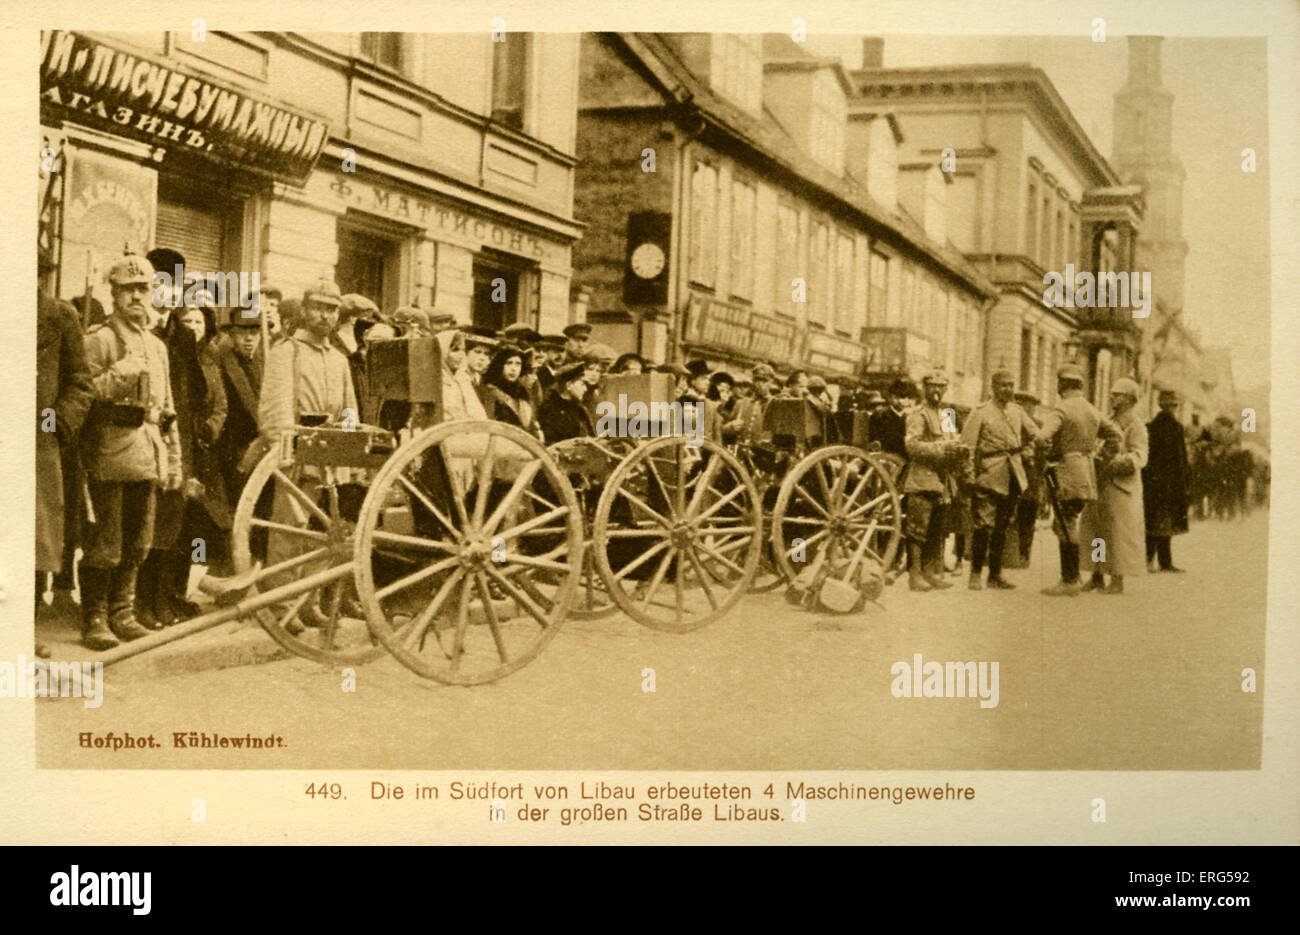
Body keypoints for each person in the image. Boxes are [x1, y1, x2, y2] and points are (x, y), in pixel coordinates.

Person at [79, 254, 183, 649]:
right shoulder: (100, 338)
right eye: (129, 289)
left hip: (149, 453)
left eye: (144, 289)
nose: (137, 296)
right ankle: (95, 618)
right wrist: (122, 371)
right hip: (110, 453)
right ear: (115, 293)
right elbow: (84, 393)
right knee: (106, 544)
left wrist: (174, 459)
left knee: (139, 543)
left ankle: (123, 611)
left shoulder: (157, 347)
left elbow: (168, 410)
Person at [138, 286, 227, 627]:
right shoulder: (149, 333)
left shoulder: (185, 339)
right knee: (152, 524)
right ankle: (141, 602)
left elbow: (193, 396)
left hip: (182, 442)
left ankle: (164, 598)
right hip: (152, 436)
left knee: (176, 527)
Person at [36, 261, 94, 657]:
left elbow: (80, 382)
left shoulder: (59, 316)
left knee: (32, 535)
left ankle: (23, 624)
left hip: (36, 441)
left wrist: (56, 422)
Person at [1033, 363, 1123, 596]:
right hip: (1086, 471)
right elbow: (1116, 435)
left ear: (1063, 384)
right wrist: (1101, 458)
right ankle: (1071, 578)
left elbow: (1042, 438)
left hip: (1064, 471)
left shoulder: (1061, 409)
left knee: (1065, 523)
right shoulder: (1092, 410)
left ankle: (1070, 579)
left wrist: (1043, 462)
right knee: (1067, 521)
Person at [960, 370, 1038, 590]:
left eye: (1011, 385)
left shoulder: (1017, 411)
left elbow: (1035, 435)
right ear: (993, 387)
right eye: (1004, 385)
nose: (1009, 389)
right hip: (988, 474)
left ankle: (995, 575)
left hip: (1013, 475)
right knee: (983, 525)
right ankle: (975, 573)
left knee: (1003, 526)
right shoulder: (981, 412)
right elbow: (967, 447)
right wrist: (969, 475)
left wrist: (1028, 453)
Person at [1079, 377, 1148, 594]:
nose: (1112, 397)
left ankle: (1117, 580)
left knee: (1118, 535)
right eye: (1112, 394)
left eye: (1117, 394)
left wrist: (1116, 462)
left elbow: (1140, 456)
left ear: (1129, 399)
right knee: (1096, 531)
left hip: (1121, 487)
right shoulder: (1107, 420)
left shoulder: (1136, 426)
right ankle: (1097, 575)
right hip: (1100, 483)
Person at [903, 371, 965, 591]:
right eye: (932, 387)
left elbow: (953, 440)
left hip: (943, 481)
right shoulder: (917, 415)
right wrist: (942, 450)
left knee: (937, 529)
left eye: (941, 387)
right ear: (924, 388)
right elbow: (912, 445)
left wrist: (958, 449)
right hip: (922, 478)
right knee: (917, 530)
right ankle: (915, 575)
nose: (937, 391)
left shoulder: (947, 414)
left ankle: (931, 572)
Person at [210, 304, 265, 553]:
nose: (249, 339)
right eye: (243, 333)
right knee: (232, 510)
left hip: (261, 448)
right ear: (231, 335)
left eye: (254, 333)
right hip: (230, 449)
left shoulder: (265, 364)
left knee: (259, 510)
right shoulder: (221, 363)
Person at [1143, 389, 1190, 572]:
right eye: (1174, 405)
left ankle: (1150, 560)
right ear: (1170, 406)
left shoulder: (1150, 427)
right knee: (1165, 522)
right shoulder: (1176, 427)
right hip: (1171, 483)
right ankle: (1164, 562)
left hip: (1152, 482)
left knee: (1153, 521)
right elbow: (1180, 459)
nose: (1175, 408)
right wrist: (1185, 481)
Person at [483, 344, 542, 438]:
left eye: (518, 364)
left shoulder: (523, 392)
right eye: (509, 363)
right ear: (500, 365)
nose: (513, 369)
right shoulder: (491, 392)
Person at [538, 361, 595, 444]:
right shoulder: (549, 408)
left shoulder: (580, 409)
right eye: (582, 384)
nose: (585, 389)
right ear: (569, 385)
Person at [869, 379, 914, 460]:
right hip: (884, 455)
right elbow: (873, 436)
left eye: (906, 398)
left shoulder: (909, 417)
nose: (902, 401)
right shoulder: (880, 414)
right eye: (897, 397)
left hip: (904, 456)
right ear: (890, 397)